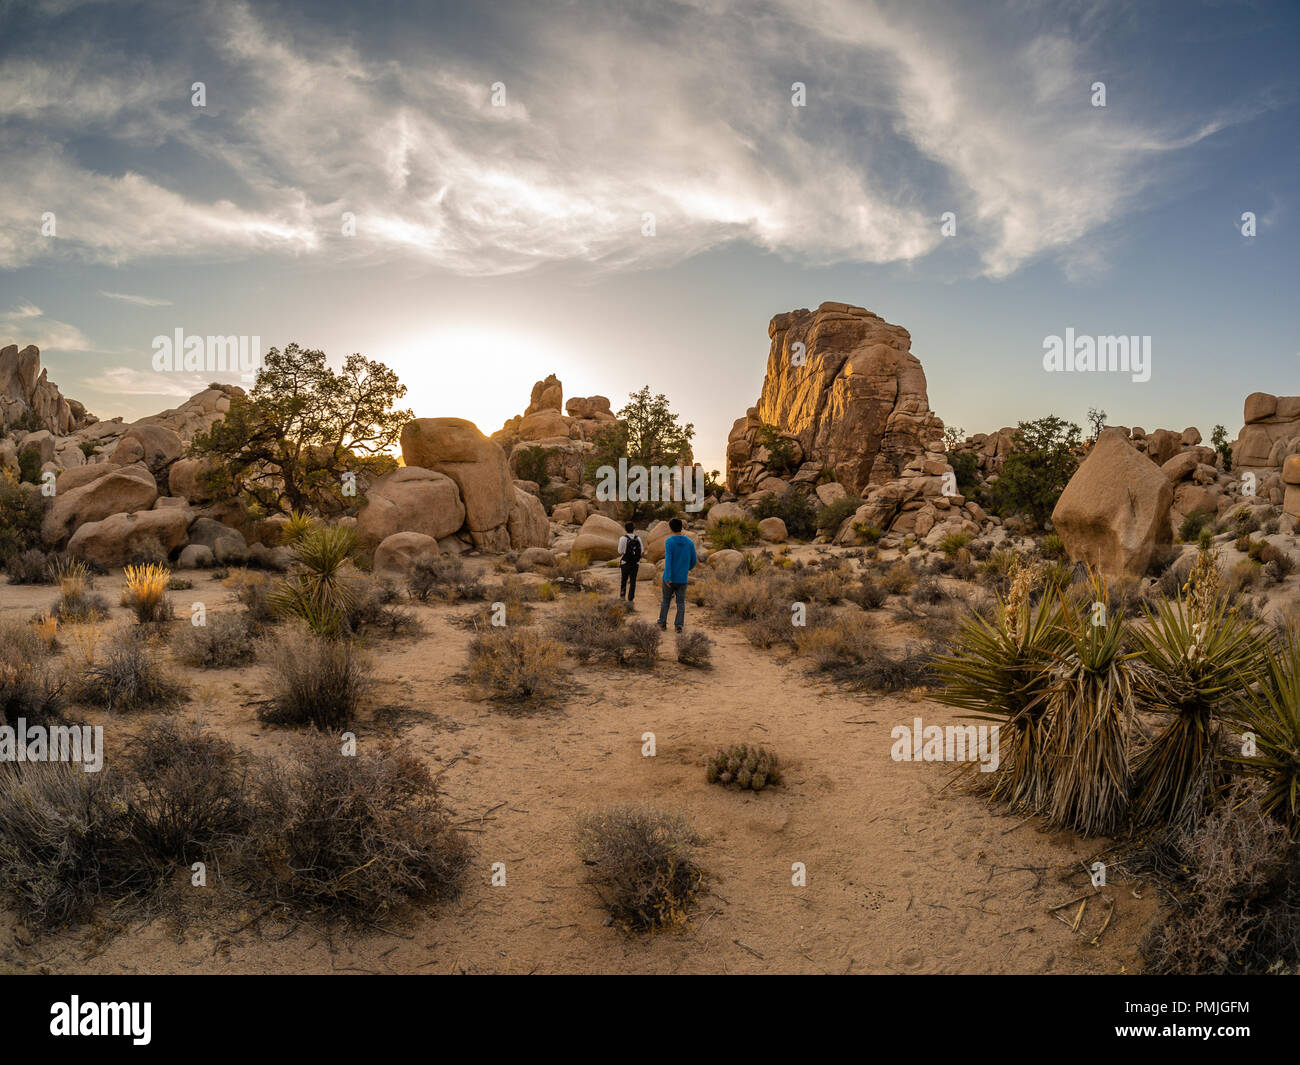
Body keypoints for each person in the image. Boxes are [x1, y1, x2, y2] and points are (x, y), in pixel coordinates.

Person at [657, 517, 697, 633]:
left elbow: (668, 560)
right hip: (682, 578)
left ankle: (662, 623)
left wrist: (668, 577)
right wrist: (685, 569)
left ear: (670, 528)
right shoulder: (689, 542)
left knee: (666, 601)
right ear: (681, 528)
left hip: (669, 578)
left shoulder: (669, 541)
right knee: (681, 603)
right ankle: (678, 625)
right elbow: (694, 560)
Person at [617, 521, 643, 603]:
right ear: (633, 529)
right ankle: (631, 599)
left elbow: (620, 551)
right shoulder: (638, 538)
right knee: (633, 581)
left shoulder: (623, 538)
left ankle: (622, 597)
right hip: (635, 563)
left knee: (624, 580)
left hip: (625, 562)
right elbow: (642, 550)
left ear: (625, 529)